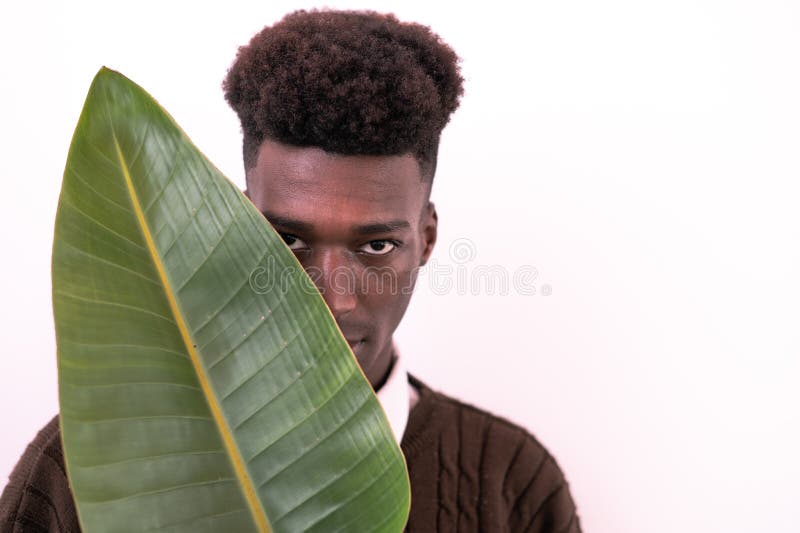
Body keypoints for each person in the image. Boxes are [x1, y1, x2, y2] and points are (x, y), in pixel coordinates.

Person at [0, 9, 581, 532]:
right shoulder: (88, 462)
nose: (331, 300)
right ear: (237, 225)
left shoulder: (511, 484)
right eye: (289, 240)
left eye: (377, 246)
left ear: (426, 239)